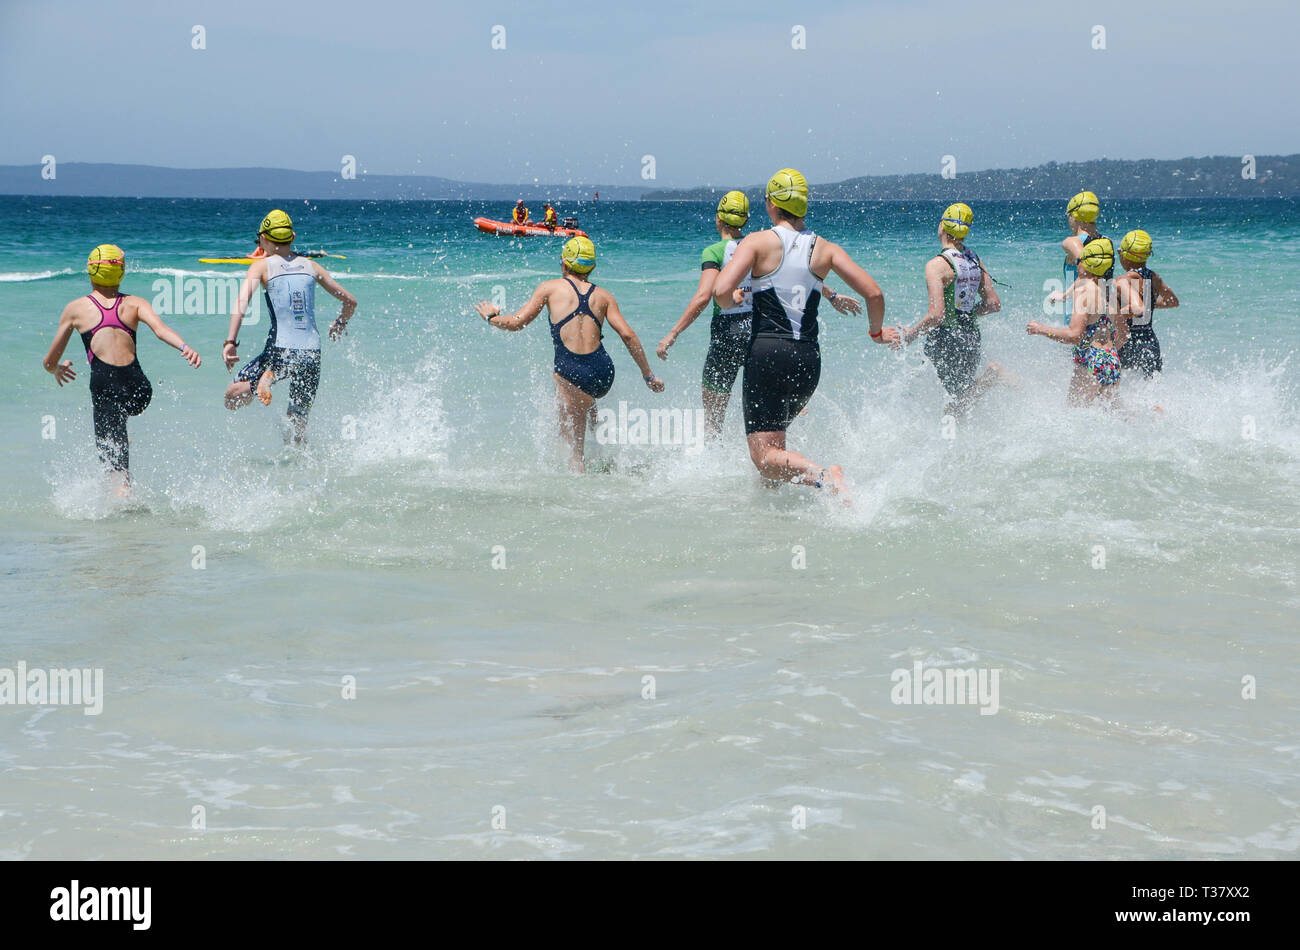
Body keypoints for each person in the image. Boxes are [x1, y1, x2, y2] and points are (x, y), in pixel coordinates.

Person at [713, 169, 892, 496]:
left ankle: (825, 476)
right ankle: (771, 519)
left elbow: (721, 290)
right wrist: (876, 333)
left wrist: (732, 298)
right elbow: (874, 294)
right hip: (808, 360)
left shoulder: (755, 243)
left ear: (770, 204)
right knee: (775, 445)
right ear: (803, 206)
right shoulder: (825, 249)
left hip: (766, 355)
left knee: (764, 456)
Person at [657, 190, 861, 436]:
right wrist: (832, 295)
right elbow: (796, 275)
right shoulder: (761, 244)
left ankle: (714, 461)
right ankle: (788, 448)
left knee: (713, 415)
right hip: (760, 331)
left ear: (718, 220)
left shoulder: (714, 252)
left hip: (727, 334)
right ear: (744, 220)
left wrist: (673, 334)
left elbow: (704, 296)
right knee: (776, 406)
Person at [473, 236, 665, 473]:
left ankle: (580, 483)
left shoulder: (550, 288)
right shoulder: (604, 296)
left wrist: (491, 317)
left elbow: (516, 323)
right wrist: (648, 375)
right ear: (592, 267)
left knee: (574, 447)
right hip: (603, 372)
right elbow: (628, 335)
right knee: (584, 401)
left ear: (564, 263)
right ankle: (605, 447)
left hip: (572, 372)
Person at [41, 244, 201, 493]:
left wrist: (57, 369)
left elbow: (49, 362)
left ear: (91, 271)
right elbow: (160, 330)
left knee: (114, 464)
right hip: (139, 387)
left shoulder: (76, 309)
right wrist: (185, 347)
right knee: (120, 421)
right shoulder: (135, 303)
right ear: (122, 271)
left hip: (106, 386)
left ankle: (124, 503)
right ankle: (121, 432)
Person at [222, 210, 357, 445]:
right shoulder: (312, 267)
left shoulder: (261, 267)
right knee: (298, 422)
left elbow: (241, 305)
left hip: (280, 348)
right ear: (292, 236)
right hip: (311, 351)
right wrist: (340, 323)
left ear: (263, 238)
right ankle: (297, 471)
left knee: (232, 397)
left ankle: (260, 381)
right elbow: (350, 301)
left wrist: (230, 342)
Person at [897, 203, 1003, 414]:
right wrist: (968, 313)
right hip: (971, 336)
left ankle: (989, 377)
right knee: (959, 396)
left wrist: (910, 334)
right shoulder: (974, 259)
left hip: (945, 339)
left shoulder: (937, 265)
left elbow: (936, 315)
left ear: (943, 227)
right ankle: (983, 385)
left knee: (947, 399)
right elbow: (993, 304)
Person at [1029, 237, 1142, 404]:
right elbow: (1124, 334)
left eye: (1079, 260)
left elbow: (1074, 336)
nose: (1076, 264)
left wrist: (1041, 329)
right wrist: (1104, 356)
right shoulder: (1108, 291)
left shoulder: (1084, 292)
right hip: (1111, 361)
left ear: (1086, 263)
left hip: (1090, 362)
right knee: (1112, 418)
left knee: (1074, 415)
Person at [1114, 229, 1179, 376]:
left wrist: (1114, 314)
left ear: (1124, 256)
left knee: (1119, 386)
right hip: (1150, 342)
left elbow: (1137, 309)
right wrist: (1150, 304)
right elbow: (1173, 302)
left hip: (1128, 343)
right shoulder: (1153, 277)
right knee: (1152, 388)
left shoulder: (1124, 280)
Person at [1060, 190, 1112, 322]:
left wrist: (1064, 296)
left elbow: (1087, 268)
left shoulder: (1073, 242)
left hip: (1079, 320)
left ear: (1074, 216)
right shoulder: (1107, 243)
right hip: (1104, 317)